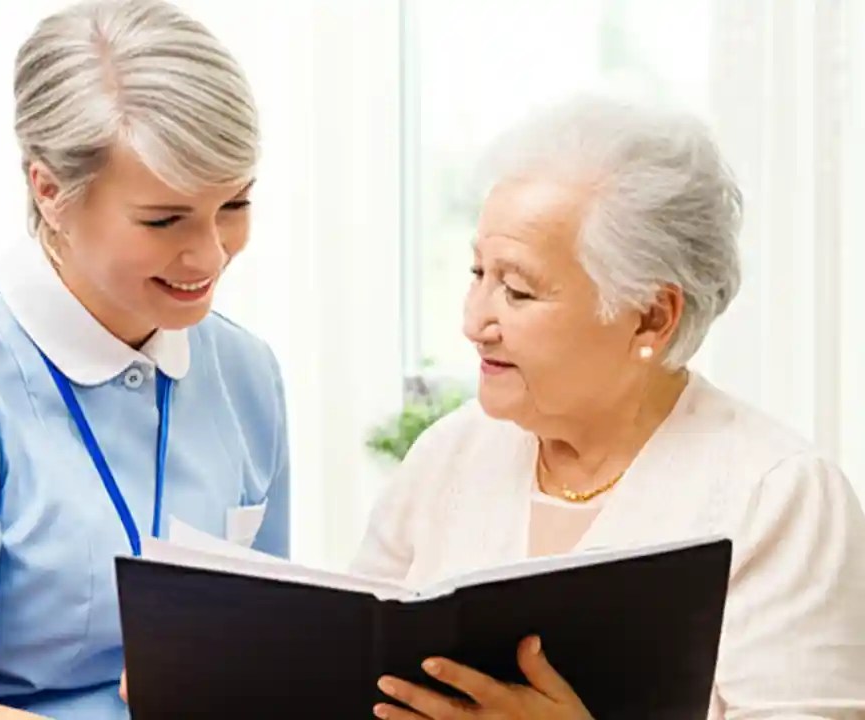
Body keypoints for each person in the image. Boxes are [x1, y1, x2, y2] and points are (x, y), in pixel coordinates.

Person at [0, 2, 289, 719]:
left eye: (235, 205)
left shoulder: (245, 374)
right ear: (50, 192)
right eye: (164, 220)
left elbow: (274, 641)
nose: (211, 254)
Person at [355, 97, 865, 719]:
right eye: (477, 272)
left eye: (516, 289)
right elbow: (348, 676)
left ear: (651, 315)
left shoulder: (777, 495)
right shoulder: (448, 455)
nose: (473, 321)